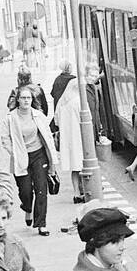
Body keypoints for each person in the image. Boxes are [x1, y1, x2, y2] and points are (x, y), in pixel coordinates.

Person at [0, 85, 57, 236]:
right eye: (23, 98)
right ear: (18, 100)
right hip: (20, 157)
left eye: (29, 98)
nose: (26, 100)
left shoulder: (38, 115)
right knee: (25, 191)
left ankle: (41, 224)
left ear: (32, 100)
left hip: (38, 154)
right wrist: (13, 152)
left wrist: (53, 161)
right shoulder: (10, 118)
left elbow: (48, 137)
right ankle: (27, 208)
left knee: (41, 188)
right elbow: (4, 138)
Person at [52, 64, 89, 203]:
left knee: (74, 167)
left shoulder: (63, 104)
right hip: (80, 138)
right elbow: (88, 120)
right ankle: (85, 190)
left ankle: (76, 193)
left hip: (68, 141)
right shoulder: (80, 102)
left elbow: (56, 120)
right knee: (84, 165)